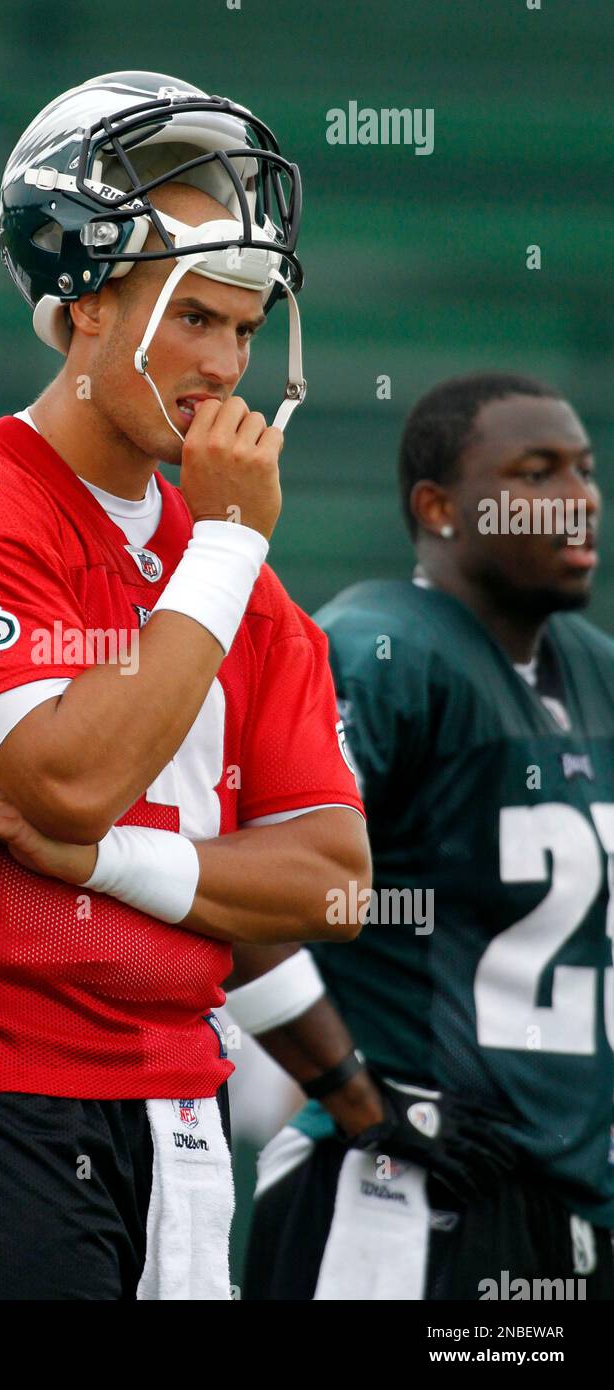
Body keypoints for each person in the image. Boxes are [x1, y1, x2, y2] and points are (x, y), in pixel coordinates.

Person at [0, 71, 368, 1301]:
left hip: (183, 1094)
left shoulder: (243, 580)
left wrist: (103, 865)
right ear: (84, 305)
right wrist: (225, 549)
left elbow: (332, 884)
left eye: (243, 328)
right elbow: (69, 775)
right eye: (194, 318)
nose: (224, 365)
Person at [228, 372, 614, 1300]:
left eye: (586, 469)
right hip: (403, 1191)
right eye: (537, 473)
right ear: (439, 508)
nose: (581, 498)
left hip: (570, 1203)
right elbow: (241, 886)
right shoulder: (382, 653)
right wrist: (353, 1091)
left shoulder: (597, 671)